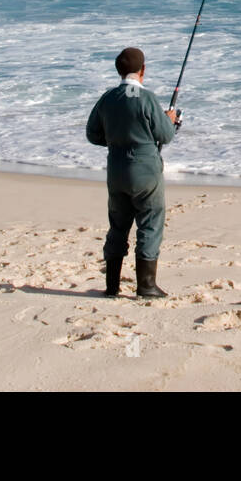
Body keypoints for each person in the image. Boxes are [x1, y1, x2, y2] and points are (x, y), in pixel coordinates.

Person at [85, 47, 179, 298]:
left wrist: (117, 141)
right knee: (149, 224)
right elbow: (166, 136)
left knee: (117, 225)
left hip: (116, 172)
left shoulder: (107, 98)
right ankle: (146, 285)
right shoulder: (146, 98)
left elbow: (92, 135)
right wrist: (169, 119)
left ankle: (112, 286)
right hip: (146, 171)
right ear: (143, 70)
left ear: (118, 71)